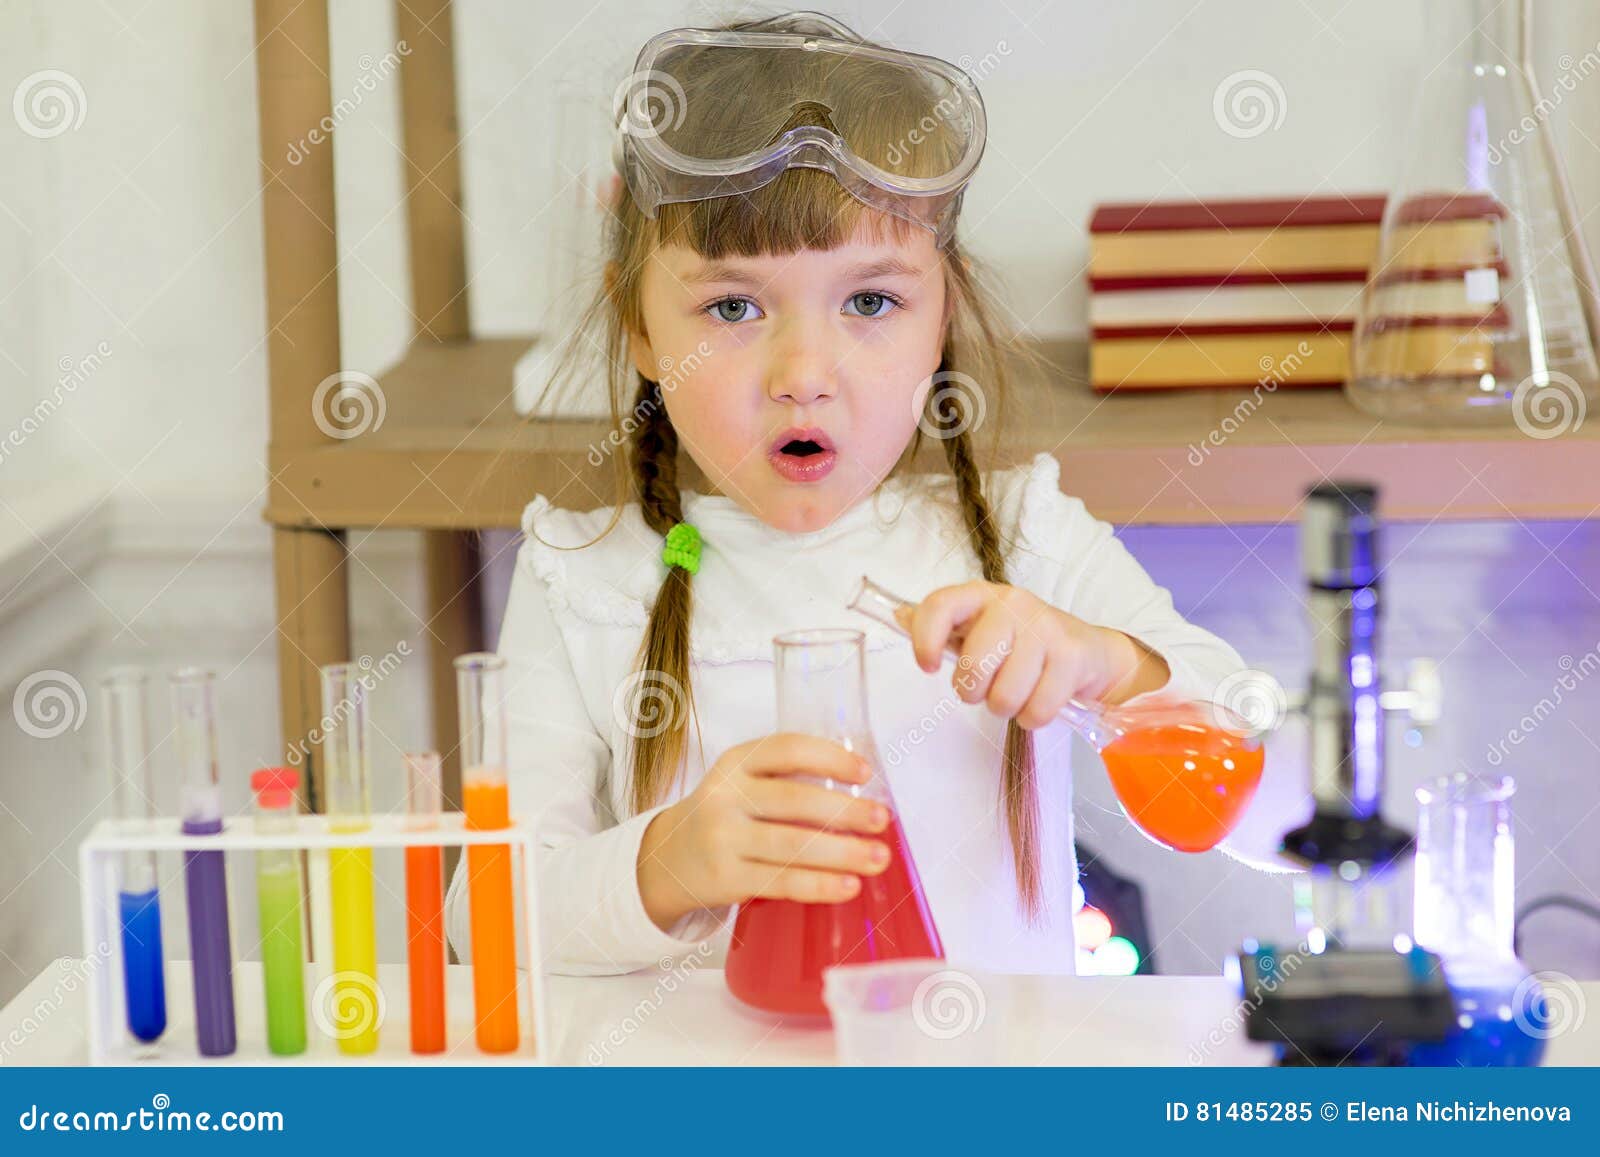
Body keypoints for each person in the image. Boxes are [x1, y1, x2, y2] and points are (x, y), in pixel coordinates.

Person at [445, 12, 1252, 978]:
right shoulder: (584, 575)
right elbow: (481, 921)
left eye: (870, 302)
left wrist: (1104, 666)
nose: (805, 372)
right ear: (643, 330)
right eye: (733, 307)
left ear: (940, 312)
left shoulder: (1027, 537)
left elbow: (1265, 778)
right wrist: (672, 860)